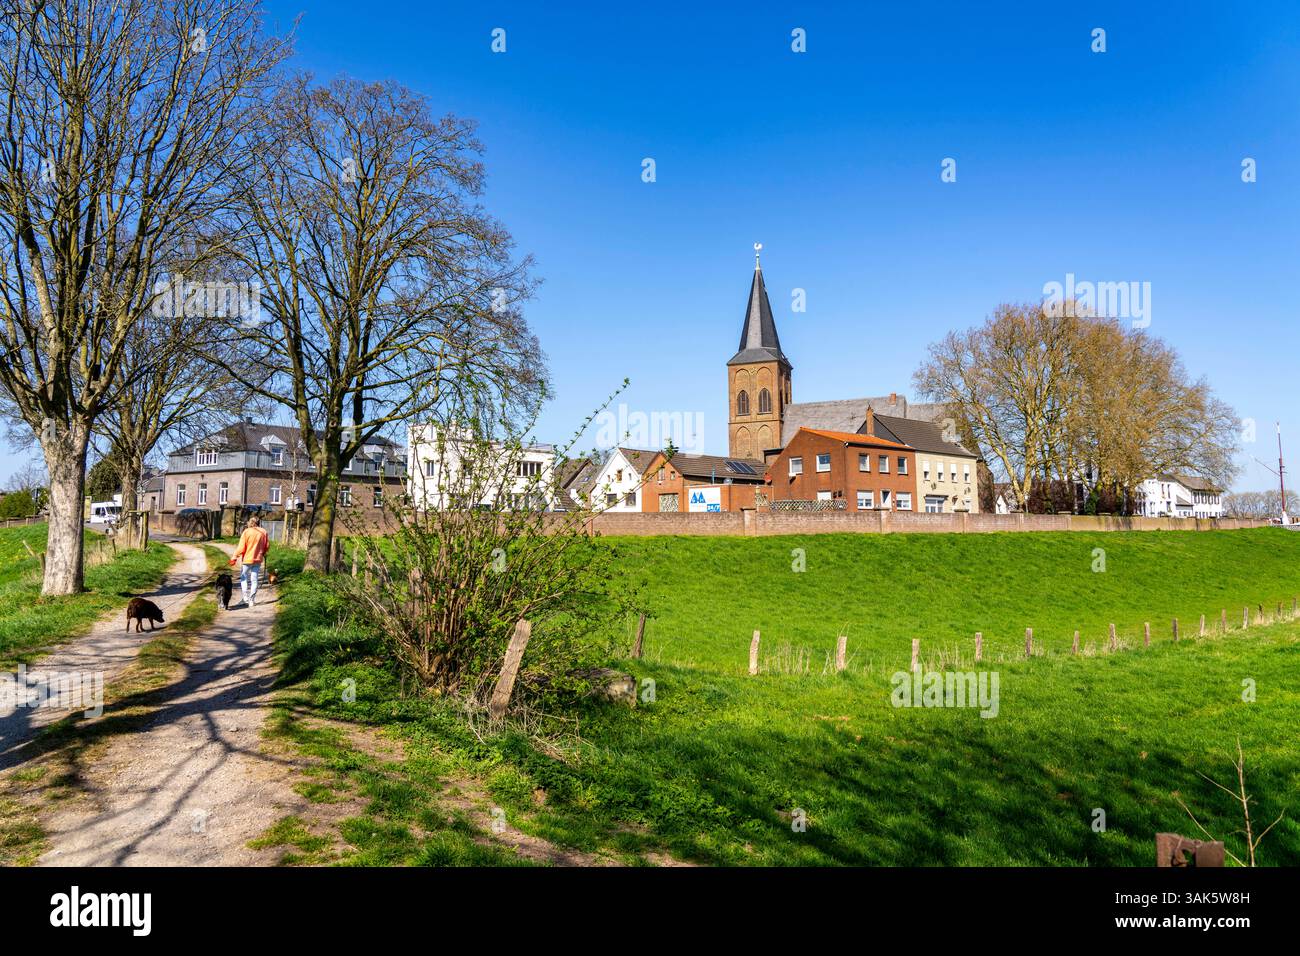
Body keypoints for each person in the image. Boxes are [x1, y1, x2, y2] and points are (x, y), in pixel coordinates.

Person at [229, 514, 270, 608]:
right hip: (258, 559)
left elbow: (241, 547)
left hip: (247, 559)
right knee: (254, 579)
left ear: (250, 523)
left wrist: (234, 557)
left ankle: (245, 598)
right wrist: (263, 552)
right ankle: (252, 601)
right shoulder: (263, 532)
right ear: (258, 523)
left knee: (244, 578)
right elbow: (266, 546)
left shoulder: (246, 532)